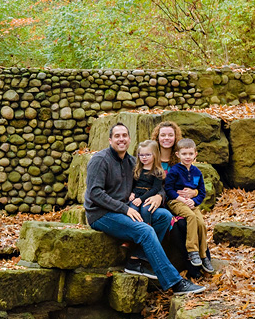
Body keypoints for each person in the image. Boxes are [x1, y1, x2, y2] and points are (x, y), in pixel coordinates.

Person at [84, 122, 205, 295]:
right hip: (102, 214)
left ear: (130, 139)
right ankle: (175, 282)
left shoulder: (133, 162)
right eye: (117, 136)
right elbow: (95, 193)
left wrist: (158, 196)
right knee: (145, 231)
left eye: (124, 135)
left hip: (127, 209)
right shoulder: (100, 160)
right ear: (110, 139)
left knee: (163, 216)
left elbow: (156, 183)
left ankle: (136, 261)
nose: (121, 139)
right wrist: (125, 209)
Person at [164, 138, 214, 273]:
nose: (187, 157)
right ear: (178, 155)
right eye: (184, 154)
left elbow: (202, 192)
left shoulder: (197, 172)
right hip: (176, 202)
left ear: (195, 154)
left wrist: (195, 201)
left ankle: (203, 256)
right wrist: (181, 199)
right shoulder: (174, 170)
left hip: (191, 204)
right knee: (191, 217)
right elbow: (168, 189)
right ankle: (193, 251)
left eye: (190, 154)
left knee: (201, 223)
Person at [128, 139, 166, 225]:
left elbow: (156, 189)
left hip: (148, 196)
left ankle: (147, 227)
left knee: (146, 210)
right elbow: (133, 184)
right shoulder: (137, 169)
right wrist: (131, 193)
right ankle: (136, 228)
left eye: (148, 155)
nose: (144, 157)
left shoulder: (157, 171)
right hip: (136, 195)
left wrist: (141, 199)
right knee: (133, 209)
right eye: (141, 155)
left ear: (155, 155)